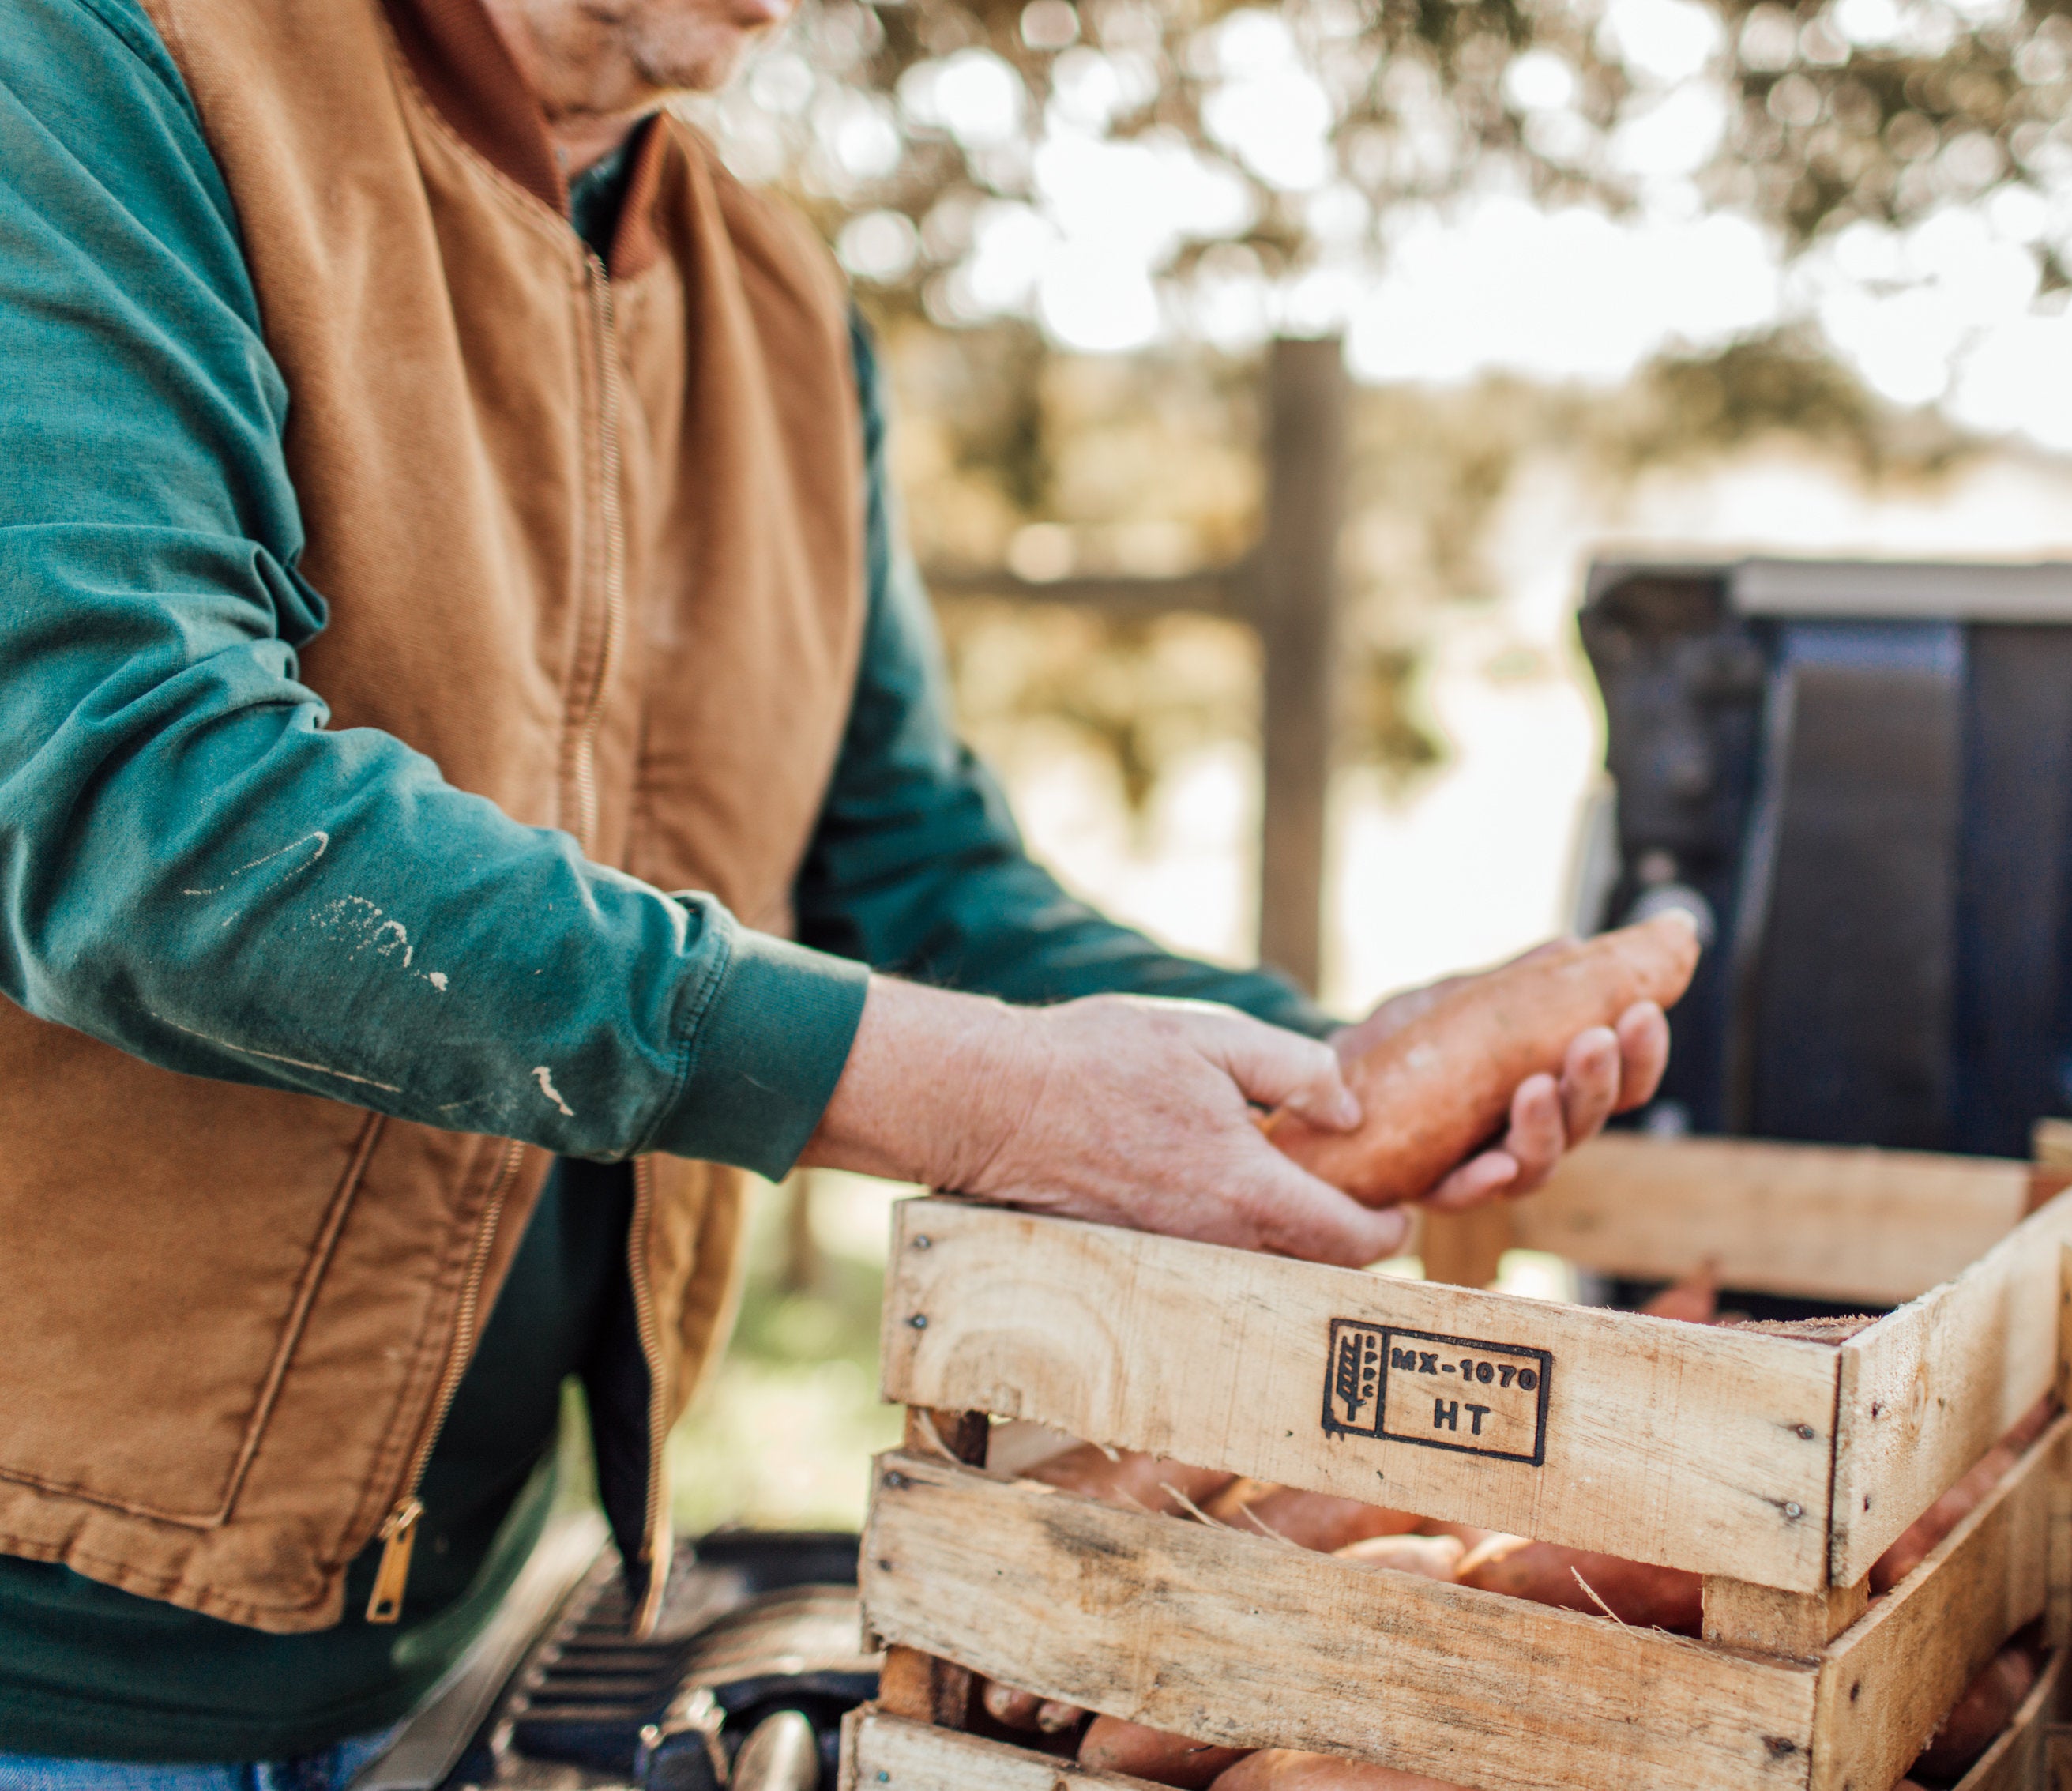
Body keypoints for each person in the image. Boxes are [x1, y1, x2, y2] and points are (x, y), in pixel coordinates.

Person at [0, 0, 1670, 1773]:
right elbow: (124, 801)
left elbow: (913, 876)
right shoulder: (106, 70)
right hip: (54, 1645)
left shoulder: (773, 307)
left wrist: (1329, 1071)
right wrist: (981, 1096)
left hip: (464, 1605)